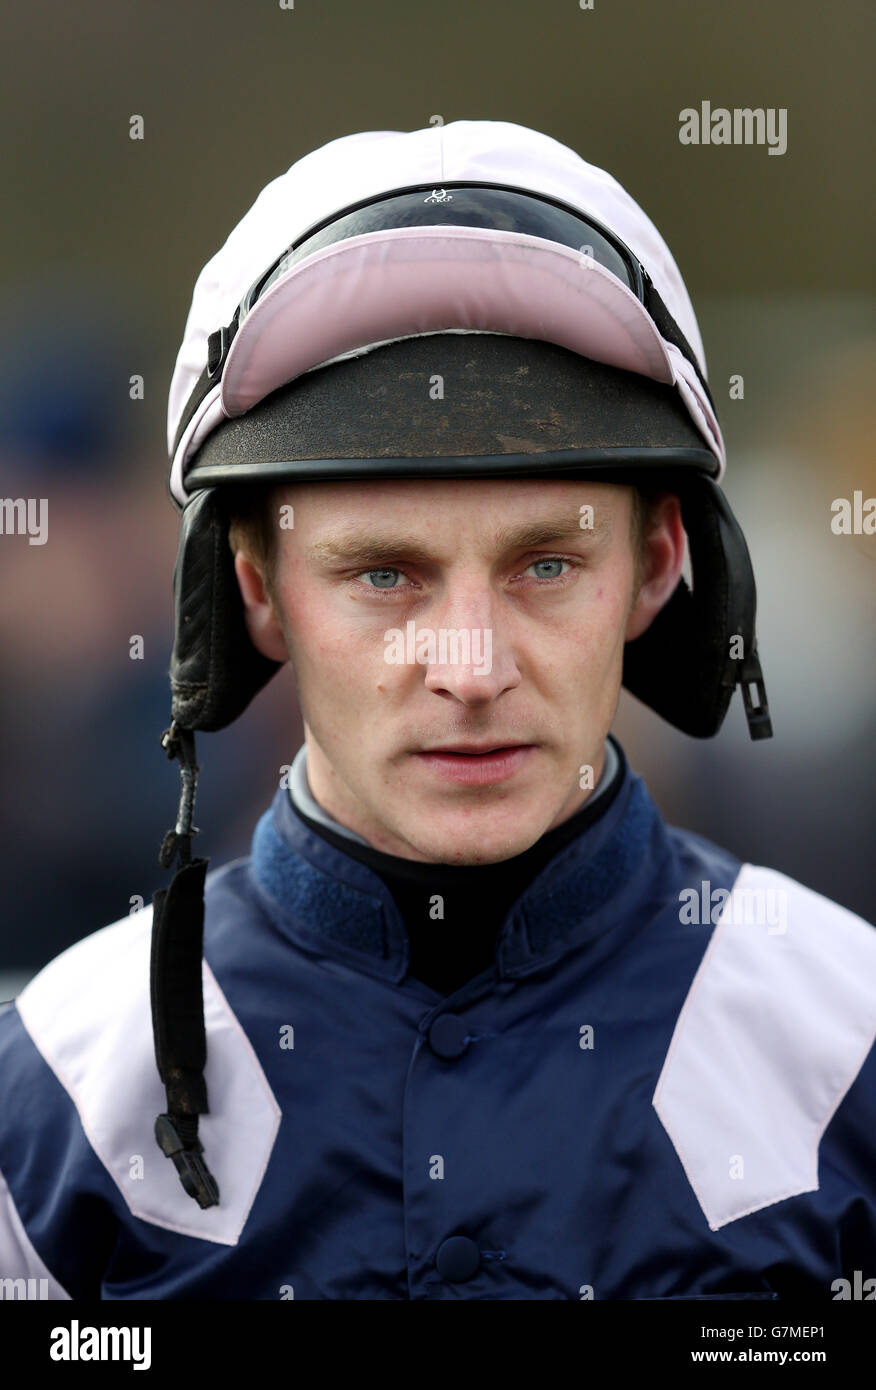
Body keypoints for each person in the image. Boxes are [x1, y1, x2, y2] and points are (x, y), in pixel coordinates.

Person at [1, 120, 873, 1302]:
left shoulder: (850, 1048)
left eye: (544, 566)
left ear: (660, 566)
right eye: (385, 574)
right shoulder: (60, 1089)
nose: (469, 667)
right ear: (256, 590)